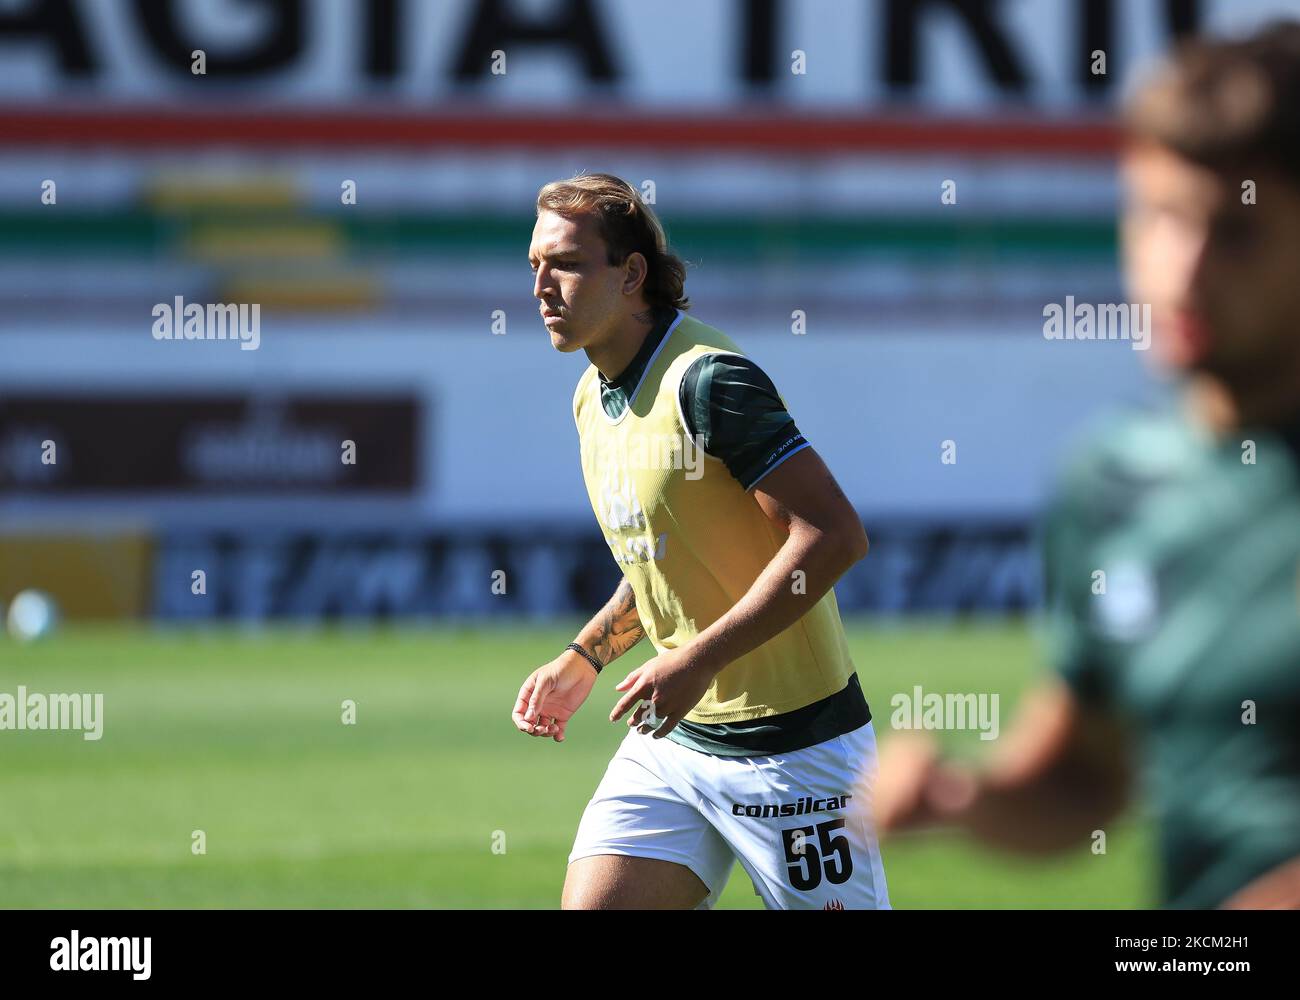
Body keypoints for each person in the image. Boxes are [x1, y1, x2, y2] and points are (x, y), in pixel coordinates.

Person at [874, 23, 1300, 909]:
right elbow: (1084, 780)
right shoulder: (1110, 484)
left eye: (1236, 232)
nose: (1180, 272)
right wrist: (962, 798)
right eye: (1159, 216)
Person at [511, 172, 889, 909]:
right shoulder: (592, 395)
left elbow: (836, 537)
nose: (541, 288)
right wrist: (584, 656)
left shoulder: (709, 382)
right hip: (677, 743)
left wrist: (694, 660)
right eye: (534, 266)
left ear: (631, 275)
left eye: (565, 264)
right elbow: (662, 557)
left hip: (797, 754)